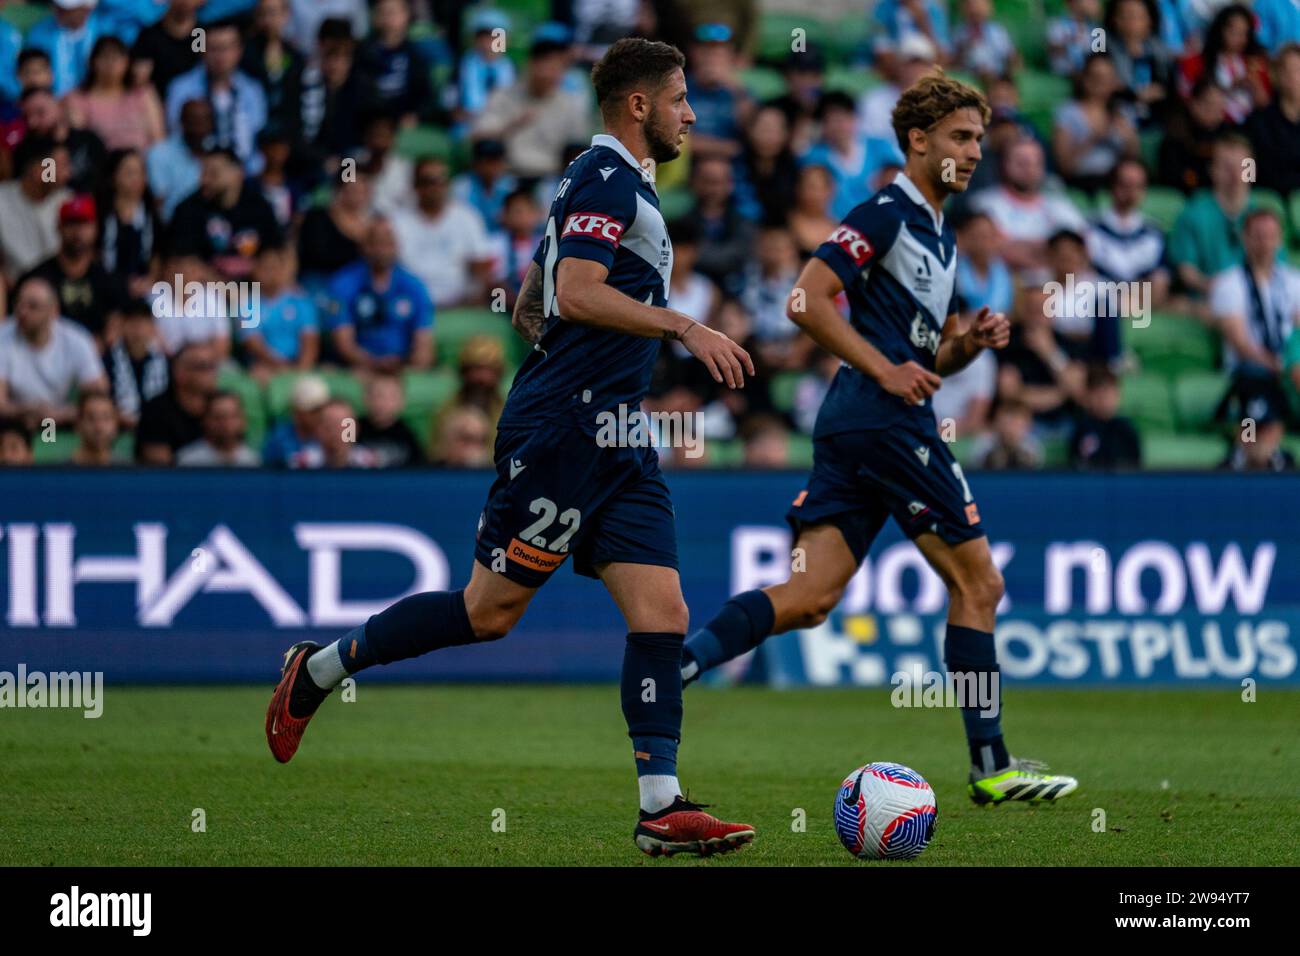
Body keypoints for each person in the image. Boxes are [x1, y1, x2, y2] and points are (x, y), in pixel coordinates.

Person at [265, 37, 757, 858]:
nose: (691, 114)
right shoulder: (603, 178)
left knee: (663, 612)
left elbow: (538, 290)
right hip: (563, 429)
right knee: (487, 614)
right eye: (678, 100)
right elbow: (574, 289)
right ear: (638, 105)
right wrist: (680, 323)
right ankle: (318, 670)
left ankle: (661, 807)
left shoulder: (600, 181)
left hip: (619, 433)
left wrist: (552, 329)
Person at [679, 72, 1080, 805]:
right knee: (979, 583)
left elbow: (926, 359)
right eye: (961, 136)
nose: (974, 151)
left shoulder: (940, 233)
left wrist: (968, 344)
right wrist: (886, 369)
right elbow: (807, 298)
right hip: (885, 419)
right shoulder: (886, 213)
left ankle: (675, 663)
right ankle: (991, 764)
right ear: (918, 140)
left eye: (981, 139)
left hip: (858, 421)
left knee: (809, 596)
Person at [0, 275, 109, 432]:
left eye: (33, 306)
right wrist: (29, 411)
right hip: (13, 423)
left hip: (63, 421)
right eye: (19, 303)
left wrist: (60, 414)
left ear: (53, 311)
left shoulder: (76, 339)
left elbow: (99, 395)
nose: (22, 312)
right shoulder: (3, 336)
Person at [325, 216, 434, 371]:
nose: (381, 250)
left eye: (387, 243)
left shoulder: (415, 286)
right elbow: (344, 344)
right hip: (356, 368)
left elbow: (424, 345)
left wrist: (406, 366)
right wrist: (375, 365)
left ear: (397, 245)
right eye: (375, 242)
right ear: (363, 246)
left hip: (401, 367)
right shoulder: (341, 284)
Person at [134, 341, 218, 464]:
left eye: (213, 366)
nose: (210, 373)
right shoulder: (156, 411)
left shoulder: (221, 406)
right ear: (179, 372)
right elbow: (159, 468)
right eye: (202, 366)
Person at [1069, 364, 1142, 469]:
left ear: (1118, 395)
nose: (1104, 398)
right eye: (1098, 392)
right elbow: (1076, 466)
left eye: (1109, 392)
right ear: (1088, 395)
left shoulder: (1127, 430)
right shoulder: (1082, 429)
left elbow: (1136, 468)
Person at [177, 390, 262, 466]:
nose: (226, 424)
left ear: (243, 421)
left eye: (233, 416)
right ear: (205, 421)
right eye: (218, 417)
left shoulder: (253, 462)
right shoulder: (188, 461)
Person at [70, 390, 123, 465]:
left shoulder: (127, 472)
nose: (99, 427)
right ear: (78, 424)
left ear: (116, 424)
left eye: (106, 418)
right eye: (91, 418)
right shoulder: (59, 473)